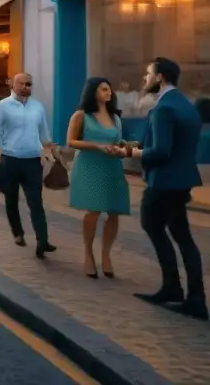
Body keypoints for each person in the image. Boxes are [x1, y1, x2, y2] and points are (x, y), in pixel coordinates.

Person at [128, 58, 207, 319]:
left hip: (163, 181)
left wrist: (135, 152)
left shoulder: (163, 108)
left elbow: (160, 151)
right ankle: (194, 297)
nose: (144, 79)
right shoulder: (187, 105)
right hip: (182, 180)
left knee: (152, 225)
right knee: (182, 237)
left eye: (148, 74)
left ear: (160, 77)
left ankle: (174, 288)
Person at [66, 77, 131, 279]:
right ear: (93, 92)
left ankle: (106, 255)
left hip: (112, 167)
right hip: (89, 166)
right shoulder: (81, 116)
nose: (108, 93)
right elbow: (70, 141)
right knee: (93, 211)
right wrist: (96, 146)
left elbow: (118, 141)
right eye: (104, 89)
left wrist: (124, 147)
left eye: (109, 90)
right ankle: (88, 254)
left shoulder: (116, 118)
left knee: (114, 212)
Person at [0, 72, 58, 259]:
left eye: (29, 84)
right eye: (23, 84)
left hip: (33, 161)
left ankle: (42, 240)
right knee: (11, 199)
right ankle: (17, 232)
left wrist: (50, 151)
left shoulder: (37, 107)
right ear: (13, 85)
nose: (27, 87)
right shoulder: (1, 107)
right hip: (9, 160)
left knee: (36, 202)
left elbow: (44, 131)